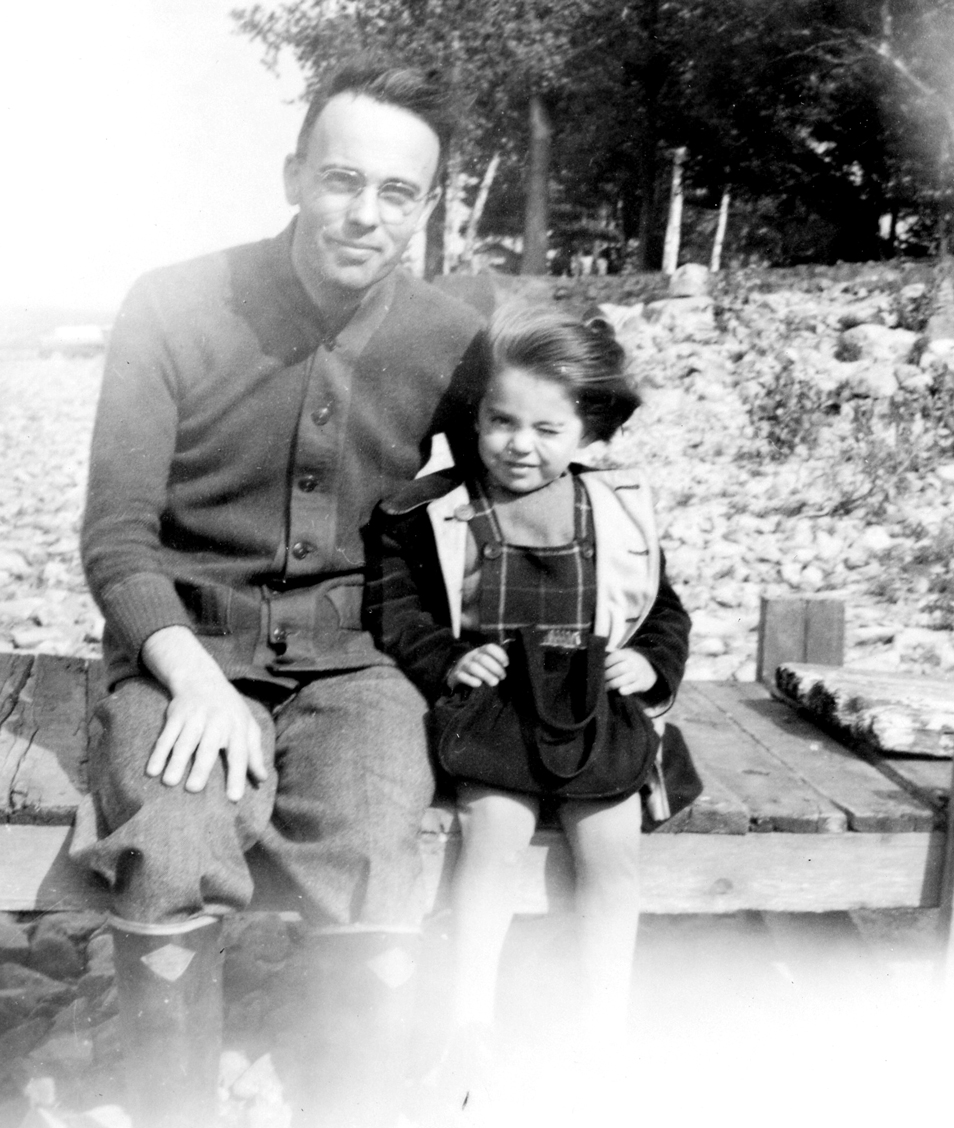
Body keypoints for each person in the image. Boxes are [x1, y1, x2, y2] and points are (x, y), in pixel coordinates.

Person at [75, 58, 486, 1128]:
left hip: (360, 666)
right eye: (341, 179)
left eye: (397, 193)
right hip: (183, 657)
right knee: (171, 838)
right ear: (294, 172)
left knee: (372, 843)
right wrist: (193, 679)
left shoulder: (449, 339)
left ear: (426, 206)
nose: (364, 213)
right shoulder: (171, 304)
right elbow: (115, 536)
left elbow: (532, 487)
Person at [363, 303, 692, 1105]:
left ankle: (601, 1024)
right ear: (473, 416)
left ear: (591, 430)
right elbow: (392, 605)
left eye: (548, 429)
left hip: (591, 701)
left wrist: (648, 667)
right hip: (498, 705)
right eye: (500, 421)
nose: (519, 444)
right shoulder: (434, 511)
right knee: (491, 830)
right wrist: (445, 659)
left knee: (611, 847)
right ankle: (469, 1020)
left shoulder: (616, 510)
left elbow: (664, 611)